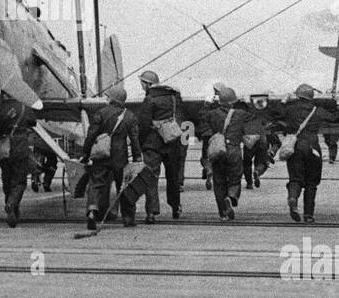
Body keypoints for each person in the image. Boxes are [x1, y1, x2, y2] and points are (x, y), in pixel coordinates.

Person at [268, 84, 339, 223]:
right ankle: (308, 215)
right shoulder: (318, 110)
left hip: (295, 147)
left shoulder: (290, 109)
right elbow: (336, 118)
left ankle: (293, 197)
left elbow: (276, 114)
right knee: (311, 183)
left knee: (296, 179)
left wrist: (284, 100)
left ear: (297, 96)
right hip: (313, 147)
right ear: (311, 97)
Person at [120, 70, 184, 224]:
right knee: (173, 177)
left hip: (153, 144)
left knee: (151, 178)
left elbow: (144, 124)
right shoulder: (174, 97)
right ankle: (175, 207)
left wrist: (140, 144)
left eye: (142, 83)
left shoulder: (149, 99)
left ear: (147, 84)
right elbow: (180, 117)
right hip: (171, 142)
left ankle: (151, 213)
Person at [80, 84, 141, 230]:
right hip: (120, 157)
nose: (106, 98)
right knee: (124, 186)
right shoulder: (129, 116)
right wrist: (137, 157)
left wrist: (85, 153)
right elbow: (134, 139)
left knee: (96, 184)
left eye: (108, 97)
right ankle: (128, 218)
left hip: (101, 155)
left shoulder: (100, 113)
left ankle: (92, 212)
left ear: (112, 99)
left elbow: (91, 136)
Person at [196, 86, 257, 220]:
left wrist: (207, 104)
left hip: (219, 150)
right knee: (235, 179)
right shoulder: (241, 114)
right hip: (234, 150)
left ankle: (223, 213)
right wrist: (247, 103)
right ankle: (231, 197)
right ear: (233, 101)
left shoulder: (213, 114)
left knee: (219, 182)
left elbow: (201, 117)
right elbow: (254, 117)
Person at [0, 98, 36, 227]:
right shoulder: (24, 106)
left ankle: (10, 204)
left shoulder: (0, 107)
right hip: (20, 146)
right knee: (19, 180)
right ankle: (12, 204)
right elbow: (33, 122)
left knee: (6, 178)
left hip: (4, 147)